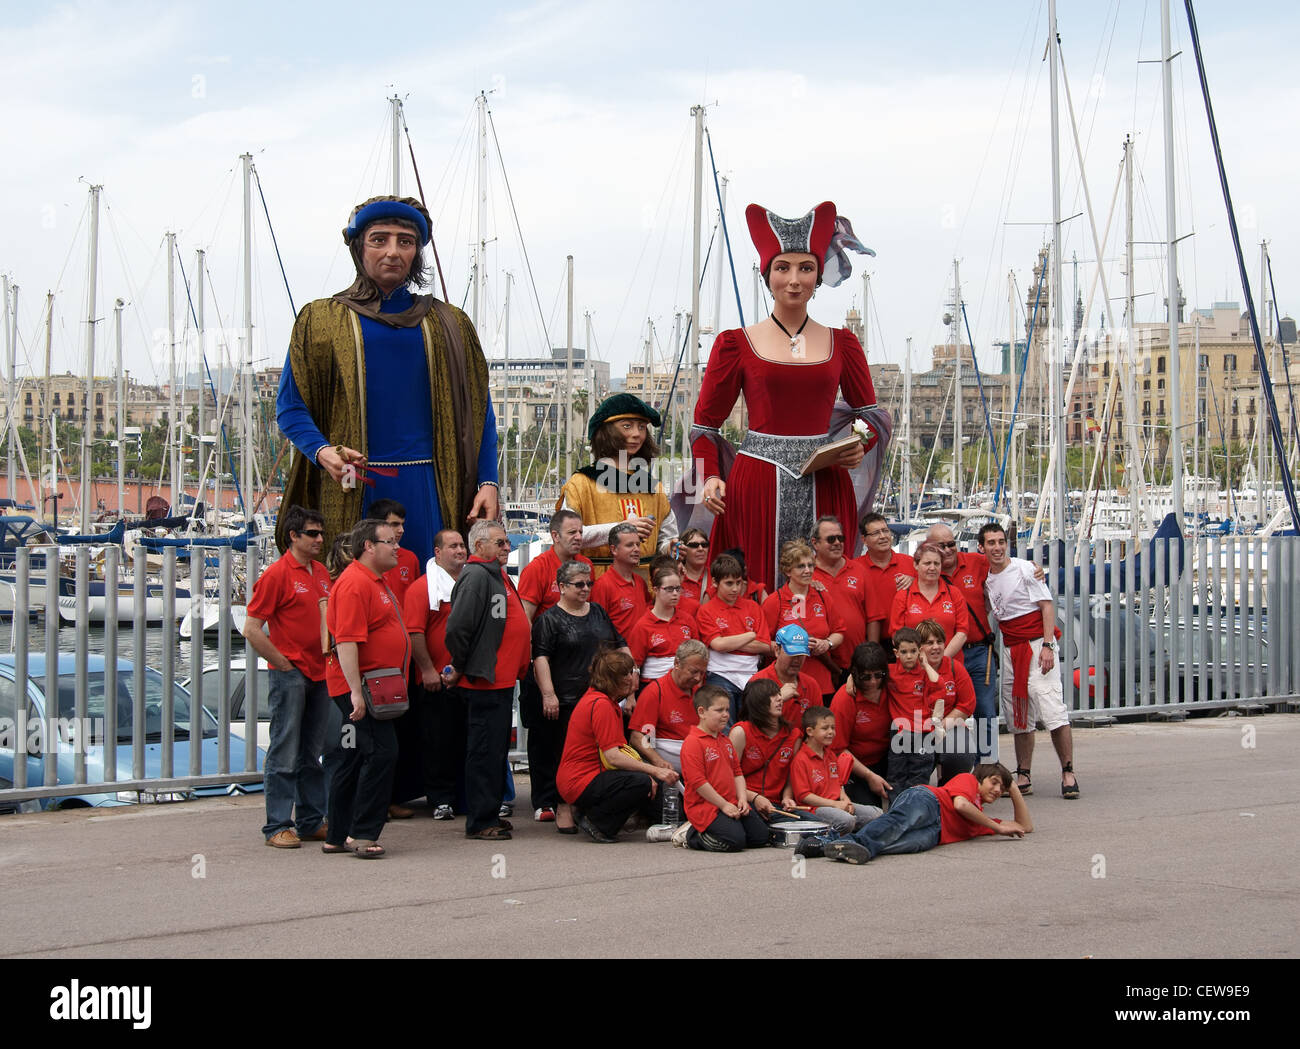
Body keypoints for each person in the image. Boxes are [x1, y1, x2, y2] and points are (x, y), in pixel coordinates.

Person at [275, 195, 498, 565]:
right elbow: (290, 406)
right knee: (351, 600)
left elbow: (480, 414)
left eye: (405, 241)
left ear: (416, 253)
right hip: (350, 483)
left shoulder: (450, 324)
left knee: (431, 596)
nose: (393, 251)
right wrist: (322, 451)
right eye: (380, 239)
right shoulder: (321, 320)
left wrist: (488, 482)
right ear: (360, 248)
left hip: (432, 486)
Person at [690, 200, 882, 593]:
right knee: (755, 590)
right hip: (756, 483)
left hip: (825, 479)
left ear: (818, 275)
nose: (794, 280)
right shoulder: (735, 345)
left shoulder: (843, 344)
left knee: (825, 592)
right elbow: (704, 427)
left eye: (805, 268)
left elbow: (870, 417)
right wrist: (710, 477)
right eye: (783, 268)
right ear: (767, 274)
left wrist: (859, 444)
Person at [242, 504, 332, 849]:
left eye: (321, 533)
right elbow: (252, 628)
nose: (319, 539)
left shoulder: (320, 571)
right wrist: (283, 664)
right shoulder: (277, 575)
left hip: (319, 672)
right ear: (293, 536)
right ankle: (277, 824)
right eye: (312, 533)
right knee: (284, 750)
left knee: (311, 753)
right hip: (292, 674)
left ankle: (311, 820)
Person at [322, 519, 409, 858]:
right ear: (369, 546)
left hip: (374, 684)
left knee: (353, 757)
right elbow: (346, 641)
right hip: (363, 688)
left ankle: (339, 832)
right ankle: (363, 832)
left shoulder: (376, 582)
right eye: (389, 541)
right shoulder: (355, 584)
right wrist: (356, 692)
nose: (397, 546)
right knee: (382, 752)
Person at [444, 520, 531, 840]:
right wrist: (462, 666)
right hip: (484, 682)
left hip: (502, 681)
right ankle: (481, 820)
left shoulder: (496, 574)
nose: (506, 547)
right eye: (499, 543)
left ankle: (489, 811)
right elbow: (458, 628)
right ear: (479, 546)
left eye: (507, 542)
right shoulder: (477, 576)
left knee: (494, 752)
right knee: (484, 753)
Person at [980, 523, 1079, 799]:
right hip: (1011, 648)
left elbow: (1046, 605)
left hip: (1036, 645)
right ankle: (1023, 772)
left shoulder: (1025, 569)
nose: (997, 547)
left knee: (1052, 709)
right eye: (991, 543)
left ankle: (1068, 771)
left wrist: (1048, 645)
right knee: (1017, 714)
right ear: (982, 548)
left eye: (1001, 541)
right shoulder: (985, 577)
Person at [530, 559, 627, 831]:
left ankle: (591, 805)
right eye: (579, 584)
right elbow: (540, 658)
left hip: (601, 697)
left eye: (589, 584)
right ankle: (563, 805)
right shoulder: (548, 620)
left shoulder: (597, 611)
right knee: (565, 754)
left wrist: (630, 681)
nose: (585, 589)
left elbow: (620, 645)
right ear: (561, 587)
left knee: (600, 755)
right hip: (567, 700)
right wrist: (548, 694)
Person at [556, 649, 677, 843]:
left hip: (583, 777)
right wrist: (653, 770)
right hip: (581, 780)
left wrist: (653, 770)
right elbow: (614, 756)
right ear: (614, 679)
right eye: (628, 673)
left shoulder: (603, 700)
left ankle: (598, 813)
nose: (632, 678)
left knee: (650, 782)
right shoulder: (601, 704)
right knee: (641, 782)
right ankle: (598, 823)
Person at [811, 763, 1033, 864]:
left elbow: (1025, 826)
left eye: (1001, 789)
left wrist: (1012, 788)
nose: (997, 790)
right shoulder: (968, 781)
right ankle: (842, 841)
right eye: (994, 783)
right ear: (980, 779)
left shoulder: (981, 817)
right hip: (929, 801)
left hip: (936, 834)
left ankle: (840, 847)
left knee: (898, 844)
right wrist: (999, 827)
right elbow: (960, 805)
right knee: (897, 824)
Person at [560, 393, 676, 578]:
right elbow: (567, 535)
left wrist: (672, 547)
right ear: (606, 431)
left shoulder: (653, 488)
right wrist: (620, 530)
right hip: (596, 586)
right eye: (627, 426)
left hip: (645, 588)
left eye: (642, 427)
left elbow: (666, 537)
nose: (637, 434)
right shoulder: (581, 484)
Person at [402, 528, 468, 821]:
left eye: (462, 545)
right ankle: (440, 798)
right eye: (453, 546)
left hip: (468, 679)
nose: (460, 551)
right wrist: (427, 670)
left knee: (466, 741)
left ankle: (465, 797)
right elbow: (414, 633)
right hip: (435, 681)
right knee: (437, 742)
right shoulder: (421, 589)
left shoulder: (472, 584)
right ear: (437, 552)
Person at [929, 521, 998, 762]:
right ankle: (952, 769)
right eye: (941, 546)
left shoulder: (977, 562)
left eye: (951, 544)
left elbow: (1004, 566)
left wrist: (1032, 567)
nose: (948, 550)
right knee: (941, 713)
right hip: (942, 658)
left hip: (978, 652)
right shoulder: (926, 571)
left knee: (985, 711)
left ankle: (987, 770)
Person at [674, 685, 770, 852]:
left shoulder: (725, 740)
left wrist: (741, 798)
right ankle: (692, 835)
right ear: (702, 712)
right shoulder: (693, 742)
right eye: (719, 710)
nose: (726, 714)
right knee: (735, 842)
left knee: (760, 837)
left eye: (727, 709)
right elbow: (698, 782)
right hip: (707, 807)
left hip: (730, 802)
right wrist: (724, 805)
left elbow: (737, 773)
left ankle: (724, 826)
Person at [763, 539, 845, 700]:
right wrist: (791, 647)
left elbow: (839, 632)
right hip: (784, 683)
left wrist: (826, 644)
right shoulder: (775, 601)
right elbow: (763, 642)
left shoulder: (823, 596)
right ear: (788, 571)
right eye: (801, 566)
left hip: (821, 681)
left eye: (810, 565)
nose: (808, 570)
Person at [696, 553, 771, 723]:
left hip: (752, 675)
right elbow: (718, 645)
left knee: (750, 729)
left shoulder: (753, 607)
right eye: (729, 583)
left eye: (738, 583)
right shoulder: (706, 610)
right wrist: (751, 635)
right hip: (720, 675)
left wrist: (728, 641)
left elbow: (765, 646)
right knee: (723, 728)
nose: (735, 589)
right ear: (715, 583)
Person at [787, 707, 883, 835]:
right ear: (810, 731)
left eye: (833, 728)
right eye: (825, 728)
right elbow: (804, 796)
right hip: (815, 809)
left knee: (877, 814)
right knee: (846, 821)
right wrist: (834, 804)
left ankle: (849, 834)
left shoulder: (831, 755)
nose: (831, 732)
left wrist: (846, 800)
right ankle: (829, 838)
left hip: (837, 804)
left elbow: (838, 785)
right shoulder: (800, 759)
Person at [628, 640, 709, 777]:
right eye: (693, 671)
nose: (697, 678)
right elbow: (638, 737)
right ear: (677, 663)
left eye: (702, 673)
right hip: (670, 773)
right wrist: (657, 760)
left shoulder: (700, 693)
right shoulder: (655, 692)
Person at [728, 678, 803, 821]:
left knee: (814, 825)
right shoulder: (741, 732)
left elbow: (790, 776)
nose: (780, 698)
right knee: (758, 833)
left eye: (779, 694)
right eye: (772, 696)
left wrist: (787, 797)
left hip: (777, 805)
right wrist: (754, 798)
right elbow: (728, 777)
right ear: (757, 703)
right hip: (745, 801)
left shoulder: (794, 735)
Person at [830, 643, 894, 808]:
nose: (873, 682)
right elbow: (837, 749)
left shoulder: (894, 683)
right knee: (871, 815)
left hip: (890, 759)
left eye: (878, 675)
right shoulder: (845, 698)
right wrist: (868, 775)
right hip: (856, 766)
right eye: (866, 677)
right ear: (856, 675)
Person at [916, 619, 978, 785]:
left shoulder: (954, 668)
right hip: (917, 727)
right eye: (929, 643)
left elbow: (967, 704)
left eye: (940, 642)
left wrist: (940, 727)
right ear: (919, 647)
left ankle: (950, 788)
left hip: (948, 725)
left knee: (960, 750)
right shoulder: (910, 669)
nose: (936, 647)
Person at [884, 627, 944, 796]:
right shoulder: (890, 672)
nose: (909, 656)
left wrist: (925, 663)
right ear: (896, 653)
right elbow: (867, 670)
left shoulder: (925, 673)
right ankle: (897, 814)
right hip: (901, 732)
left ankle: (916, 813)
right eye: (904, 652)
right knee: (897, 775)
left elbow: (939, 685)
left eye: (913, 651)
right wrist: (851, 679)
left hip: (923, 732)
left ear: (920, 651)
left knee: (919, 776)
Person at [810, 515, 871, 676]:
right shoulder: (806, 575)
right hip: (819, 664)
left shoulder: (859, 570)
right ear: (815, 543)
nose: (837, 543)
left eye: (840, 538)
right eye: (831, 539)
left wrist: (871, 653)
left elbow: (872, 617)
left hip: (857, 661)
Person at [888, 543, 969, 662]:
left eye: (936, 563)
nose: (932, 568)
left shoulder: (954, 594)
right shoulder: (903, 596)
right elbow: (897, 635)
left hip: (949, 664)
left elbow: (962, 632)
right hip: (914, 666)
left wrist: (941, 659)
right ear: (916, 565)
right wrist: (920, 660)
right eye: (927, 563)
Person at [625, 562, 699, 683]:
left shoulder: (688, 620)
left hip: (685, 684)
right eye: (669, 589)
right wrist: (631, 696)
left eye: (678, 588)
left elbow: (698, 655)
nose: (675, 593)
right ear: (656, 590)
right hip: (653, 685)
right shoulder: (643, 625)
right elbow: (634, 666)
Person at [517, 509, 592, 621]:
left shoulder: (586, 565)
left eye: (580, 532)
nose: (579, 537)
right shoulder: (536, 569)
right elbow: (524, 618)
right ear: (555, 536)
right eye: (572, 532)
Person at [858, 513, 914, 646]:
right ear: (864, 540)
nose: (883, 536)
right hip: (869, 642)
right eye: (876, 533)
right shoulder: (855, 568)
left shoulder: (910, 563)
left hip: (907, 644)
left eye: (885, 531)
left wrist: (915, 582)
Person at [751, 624, 822, 727]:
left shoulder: (811, 685)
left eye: (801, 655)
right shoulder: (757, 681)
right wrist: (779, 698)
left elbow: (817, 728)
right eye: (792, 654)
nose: (797, 660)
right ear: (777, 650)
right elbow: (750, 723)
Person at [589, 522, 652, 638]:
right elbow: (597, 629)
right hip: (617, 655)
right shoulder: (603, 585)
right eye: (629, 545)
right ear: (614, 550)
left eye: (638, 544)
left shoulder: (640, 582)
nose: (636, 549)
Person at [367, 498, 422, 607]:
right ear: (377, 525)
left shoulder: (410, 558)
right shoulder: (364, 558)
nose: (401, 530)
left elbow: (417, 598)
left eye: (402, 524)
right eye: (395, 524)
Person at [676, 527, 711, 606]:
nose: (701, 549)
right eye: (694, 545)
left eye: (704, 544)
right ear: (682, 549)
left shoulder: (717, 577)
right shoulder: (674, 578)